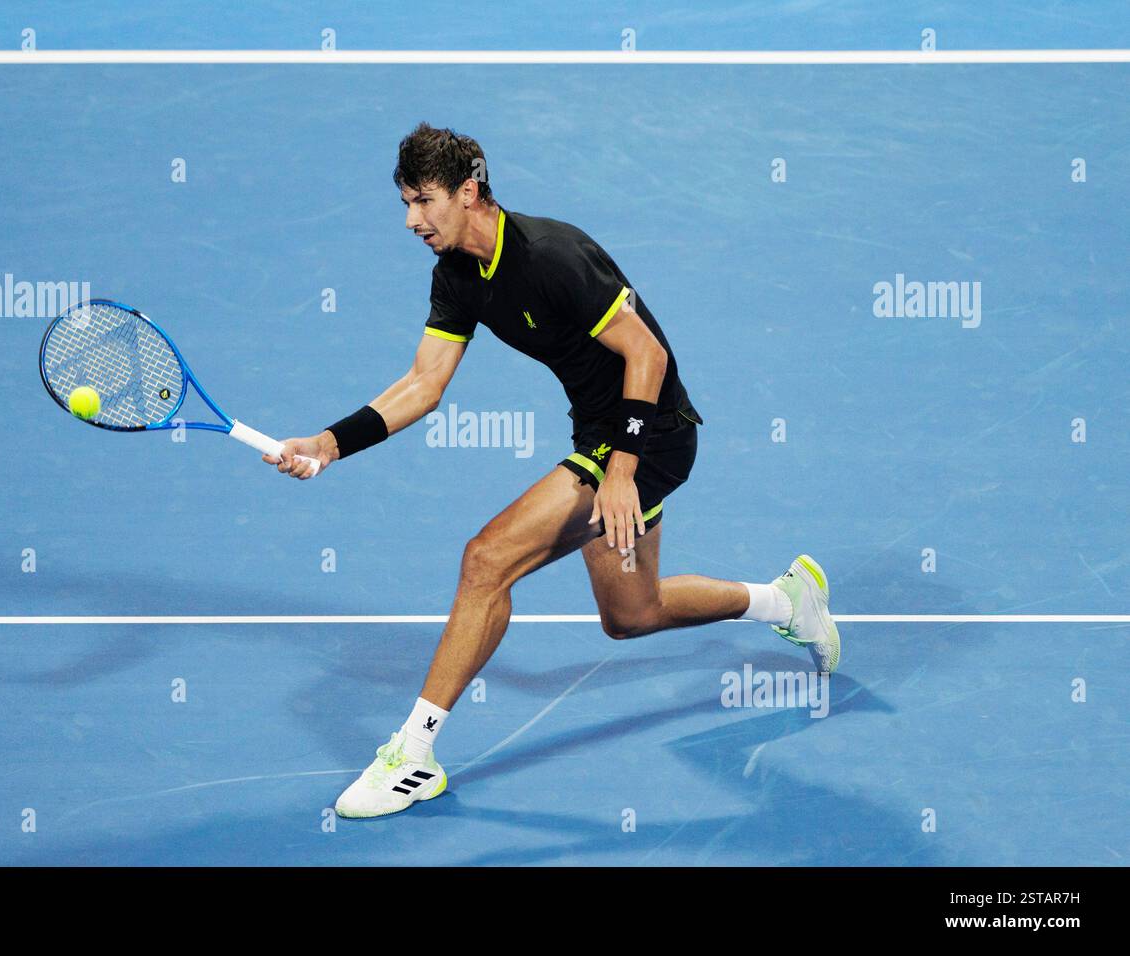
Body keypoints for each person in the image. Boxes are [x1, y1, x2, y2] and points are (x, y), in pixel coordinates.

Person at [263, 123, 841, 819]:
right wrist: (330, 443)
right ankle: (787, 600)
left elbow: (648, 356)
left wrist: (621, 469)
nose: (412, 220)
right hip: (602, 436)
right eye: (405, 204)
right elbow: (424, 382)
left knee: (487, 559)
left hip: (648, 434)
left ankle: (412, 757)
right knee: (632, 615)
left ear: (468, 191)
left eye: (423, 201)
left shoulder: (552, 255)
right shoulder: (456, 274)